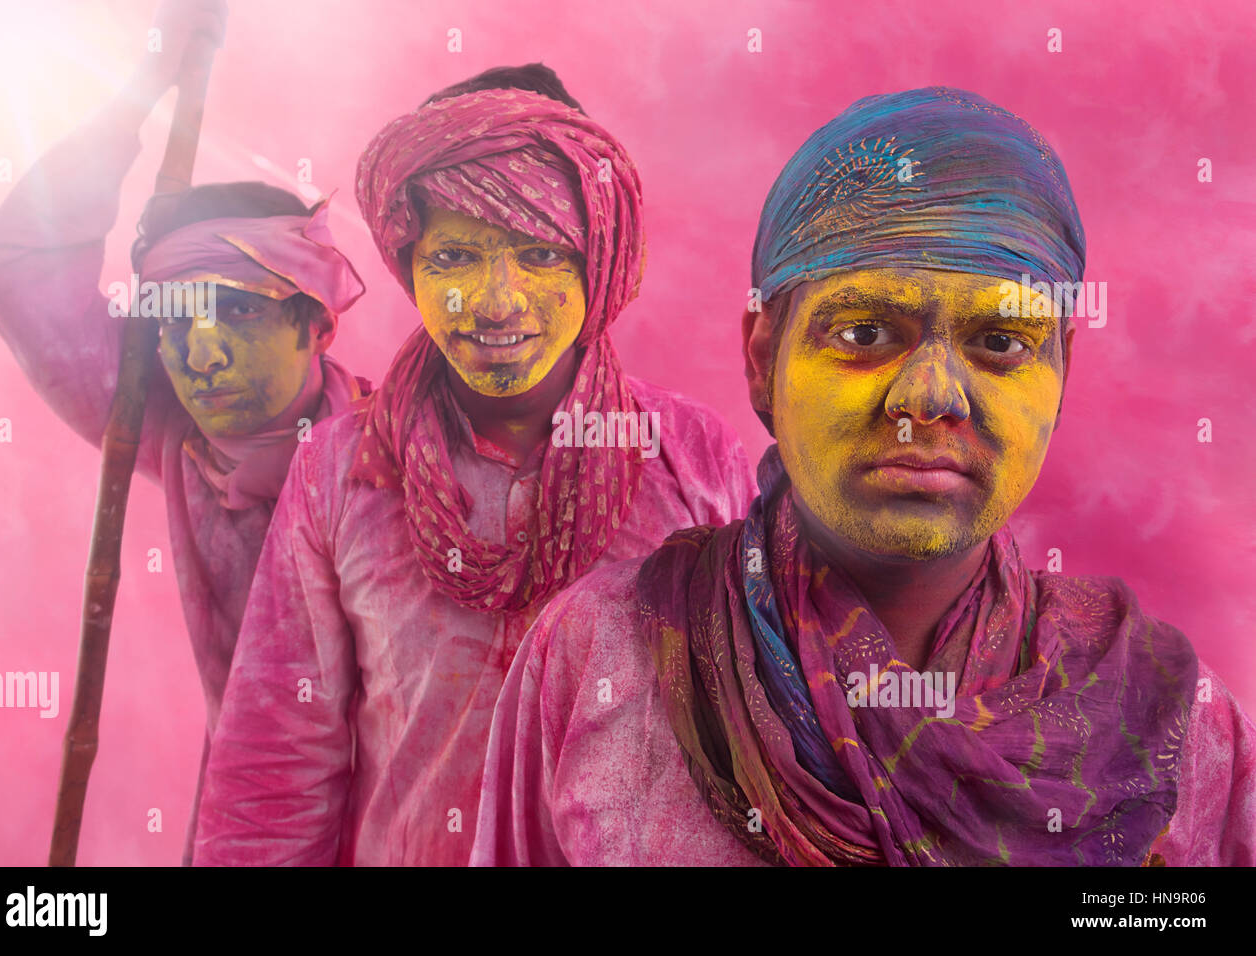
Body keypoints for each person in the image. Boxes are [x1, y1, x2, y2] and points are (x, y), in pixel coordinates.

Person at [470, 87, 1256, 867]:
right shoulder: (600, 654)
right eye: (865, 332)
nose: (931, 397)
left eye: (1001, 341)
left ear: (1062, 371)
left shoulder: (1171, 724)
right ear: (761, 359)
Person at [191, 66, 757, 866]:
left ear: (597, 261)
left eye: (539, 253)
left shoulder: (696, 461)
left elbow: (745, 755)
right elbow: (277, 766)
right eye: (456, 256)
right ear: (408, 260)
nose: (497, 301)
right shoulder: (339, 469)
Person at [0, 0, 369, 864]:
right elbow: (16, 265)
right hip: (245, 823)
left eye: (235, 310)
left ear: (317, 324)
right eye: (177, 318)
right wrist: (145, 86)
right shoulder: (175, 438)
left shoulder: (402, 450)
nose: (202, 352)